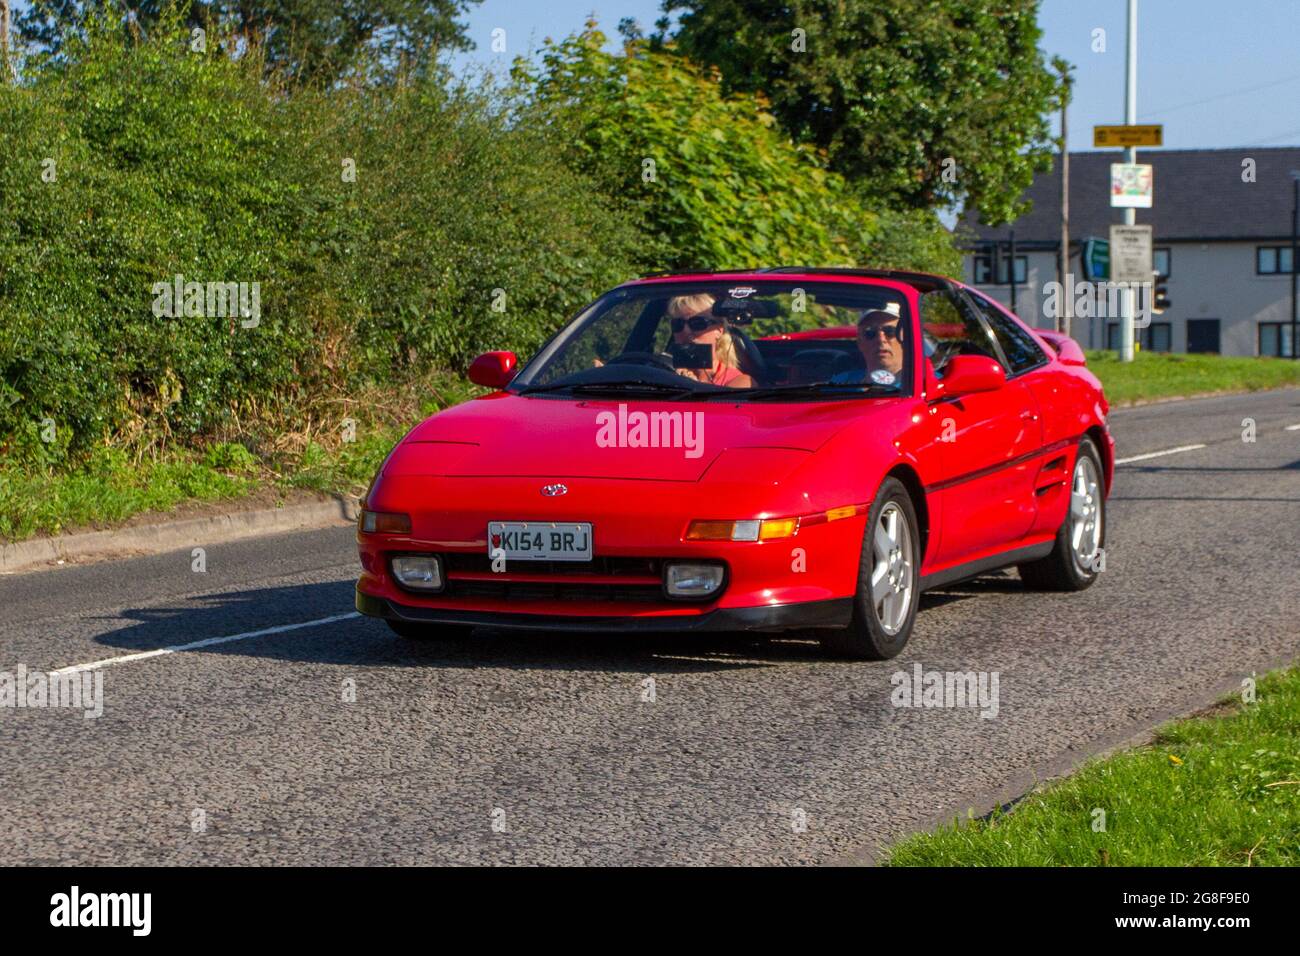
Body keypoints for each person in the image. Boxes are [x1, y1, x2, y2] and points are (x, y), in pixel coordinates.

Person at [665, 293, 753, 388]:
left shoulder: (740, 382)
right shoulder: (662, 374)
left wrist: (694, 388)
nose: (686, 331)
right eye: (678, 324)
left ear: (719, 330)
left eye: (697, 323)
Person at [831, 306, 906, 385]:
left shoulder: (918, 385)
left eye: (890, 331)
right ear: (860, 342)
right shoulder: (841, 383)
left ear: (906, 339)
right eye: (870, 332)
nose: (880, 339)